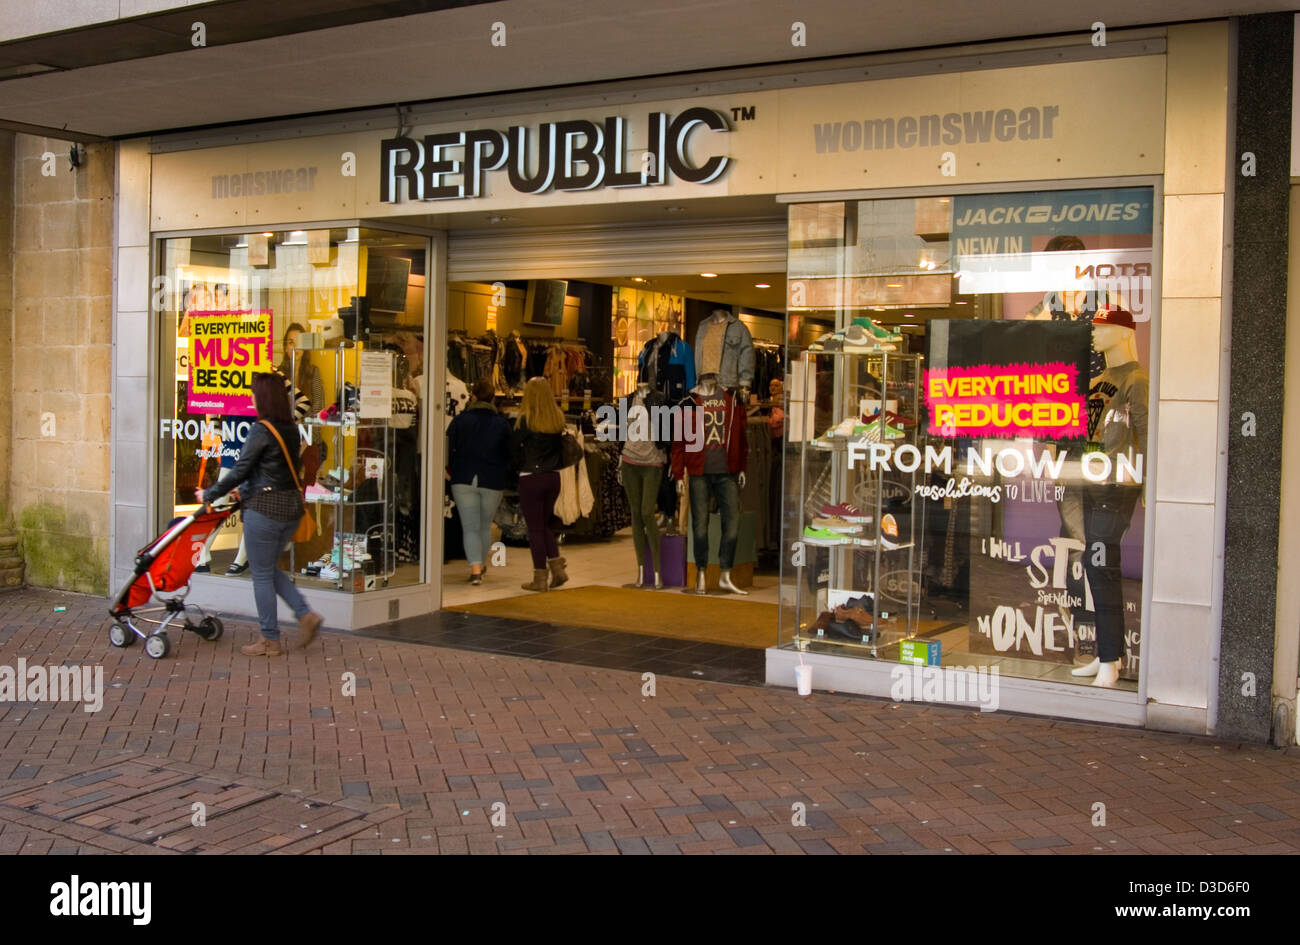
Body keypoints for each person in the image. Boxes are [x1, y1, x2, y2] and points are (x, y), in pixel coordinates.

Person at [196, 372, 323, 656]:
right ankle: (304, 614)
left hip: (264, 509)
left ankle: (269, 639)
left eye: (254, 393)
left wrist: (209, 494)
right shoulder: (290, 428)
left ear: (262, 398)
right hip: (289, 508)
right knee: (267, 568)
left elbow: (241, 469)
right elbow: (269, 466)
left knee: (261, 575)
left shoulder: (261, 430)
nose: (251, 398)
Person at [446, 378, 512, 585]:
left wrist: (449, 471)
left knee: (470, 526)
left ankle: (475, 569)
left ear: (473, 396)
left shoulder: (460, 421)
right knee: (484, 526)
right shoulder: (501, 423)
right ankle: (481, 566)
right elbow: (508, 454)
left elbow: (449, 448)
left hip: (463, 477)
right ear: (492, 398)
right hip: (492, 479)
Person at [510, 377, 568, 592]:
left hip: (530, 478)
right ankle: (557, 569)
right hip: (553, 477)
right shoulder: (557, 418)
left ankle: (540, 578)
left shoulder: (525, 419)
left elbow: (514, 450)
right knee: (544, 526)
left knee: (535, 530)